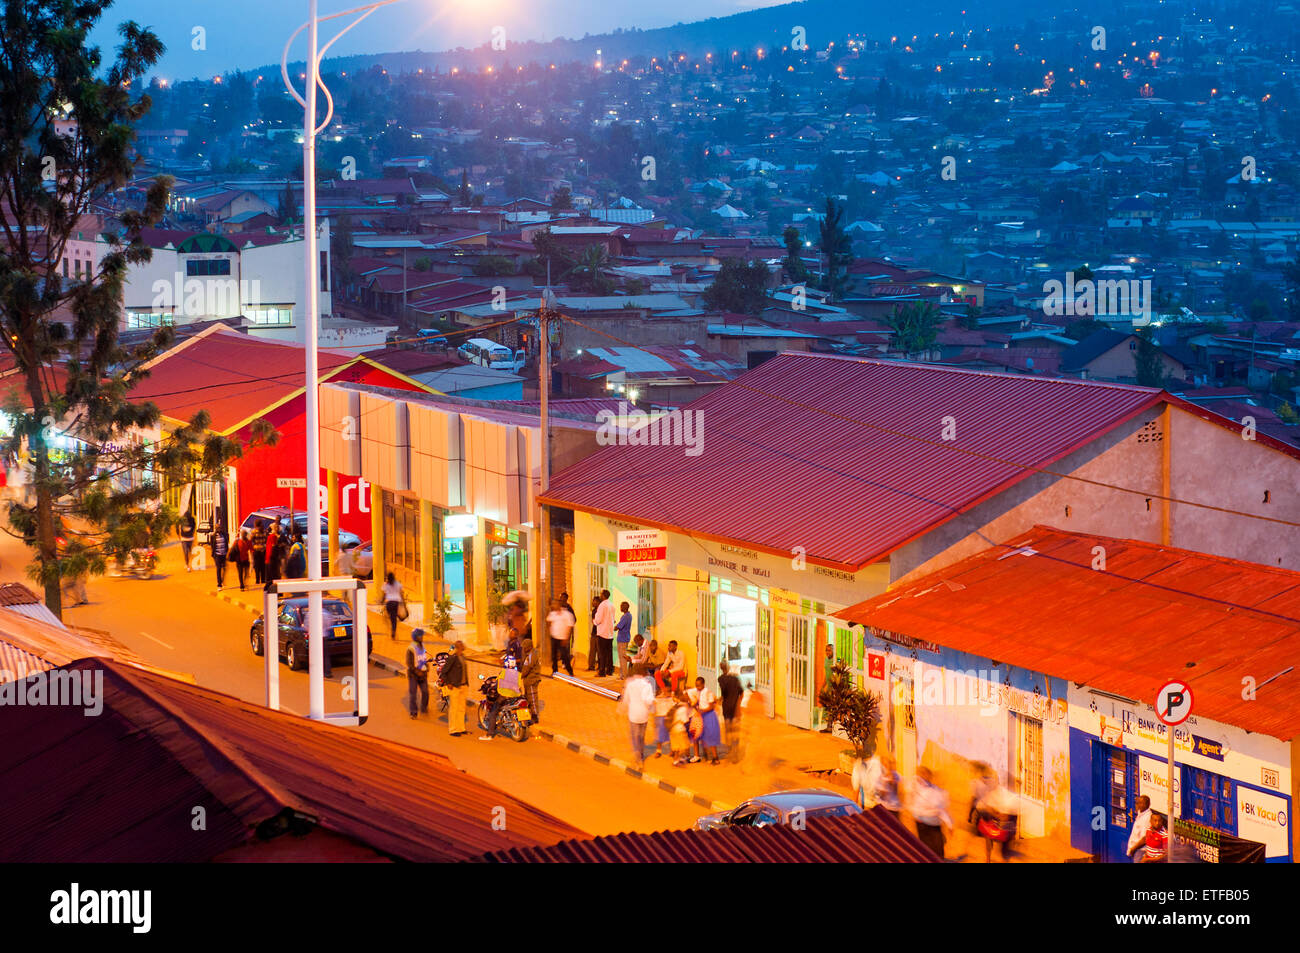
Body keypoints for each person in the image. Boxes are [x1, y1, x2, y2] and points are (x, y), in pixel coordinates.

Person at [973, 771, 1020, 862]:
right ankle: (989, 859)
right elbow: (988, 806)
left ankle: (992, 858)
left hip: (1004, 820)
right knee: (990, 838)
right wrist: (997, 814)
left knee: (1003, 844)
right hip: (996, 818)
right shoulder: (995, 792)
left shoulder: (1009, 795)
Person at [908, 765, 953, 859]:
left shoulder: (935, 790)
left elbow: (941, 809)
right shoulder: (914, 787)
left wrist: (949, 824)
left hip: (934, 822)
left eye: (926, 774)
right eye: (921, 774)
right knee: (927, 847)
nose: (924, 776)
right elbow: (911, 803)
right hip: (922, 822)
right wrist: (916, 815)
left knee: (937, 846)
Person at [480, 655, 523, 739]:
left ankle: (489, 734)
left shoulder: (503, 672)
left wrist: (492, 686)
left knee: (493, 713)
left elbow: (497, 683)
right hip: (514, 696)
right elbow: (519, 686)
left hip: (504, 696)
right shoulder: (518, 674)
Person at [621, 664, 656, 768]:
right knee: (641, 736)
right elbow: (648, 700)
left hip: (633, 714)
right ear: (644, 673)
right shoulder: (647, 684)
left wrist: (621, 710)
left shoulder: (630, 684)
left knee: (634, 736)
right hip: (644, 714)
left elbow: (626, 699)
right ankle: (640, 754)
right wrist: (654, 708)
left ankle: (638, 757)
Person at [439, 640, 469, 736]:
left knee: (462, 708)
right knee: (454, 708)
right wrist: (448, 683)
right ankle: (453, 729)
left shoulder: (463, 657)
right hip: (455, 686)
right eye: (461, 645)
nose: (463, 646)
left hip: (463, 685)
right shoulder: (453, 658)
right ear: (457, 647)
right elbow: (443, 672)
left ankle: (461, 728)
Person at [691, 676, 721, 764]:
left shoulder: (708, 692)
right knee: (696, 735)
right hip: (701, 715)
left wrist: (702, 711)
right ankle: (698, 756)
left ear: (703, 684)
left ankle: (715, 758)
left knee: (710, 736)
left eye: (699, 685)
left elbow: (711, 706)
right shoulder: (696, 691)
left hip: (709, 716)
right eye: (696, 685)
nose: (697, 687)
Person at [717, 659, 744, 755]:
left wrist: (720, 699)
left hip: (727, 708)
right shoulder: (735, 679)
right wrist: (738, 705)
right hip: (735, 708)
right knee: (735, 729)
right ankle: (735, 749)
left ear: (721, 668)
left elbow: (724, 693)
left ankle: (730, 749)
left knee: (728, 729)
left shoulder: (721, 679)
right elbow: (741, 693)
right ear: (728, 667)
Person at [405, 628, 431, 719]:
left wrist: (427, 666)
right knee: (413, 694)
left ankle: (424, 708)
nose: (422, 637)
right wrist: (417, 672)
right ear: (416, 637)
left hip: (422, 674)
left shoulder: (422, 646)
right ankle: (413, 712)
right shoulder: (411, 648)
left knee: (425, 692)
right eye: (420, 636)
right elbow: (409, 663)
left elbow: (423, 658)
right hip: (413, 675)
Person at [546, 597, 575, 675]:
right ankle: (555, 671)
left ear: (559, 604)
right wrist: (550, 631)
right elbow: (548, 621)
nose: (553, 605)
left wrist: (567, 638)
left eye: (554, 604)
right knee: (554, 656)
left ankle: (570, 671)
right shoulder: (552, 614)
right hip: (554, 637)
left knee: (564, 656)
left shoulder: (566, 614)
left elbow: (570, 626)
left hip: (562, 638)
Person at [519, 636, 541, 726]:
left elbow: (527, 668)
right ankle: (529, 715)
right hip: (529, 680)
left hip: (531, 680)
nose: (523, 649)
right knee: (528, 698)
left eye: (524, 647)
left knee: (532, 698)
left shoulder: (531, 656)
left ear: (529, 647)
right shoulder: (534, 653)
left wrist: (520, 676)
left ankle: (535, 717)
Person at [593, 589, 615, 677]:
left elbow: (598, 619)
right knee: (609, 654)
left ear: (603, 596)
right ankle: (609, 670)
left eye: (601, 594)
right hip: (610, 633)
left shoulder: (602, 605)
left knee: (601, 654)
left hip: (602, 632)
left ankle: (602, 672)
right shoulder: (612, 605)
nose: (600, 596)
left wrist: (594, 621)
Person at [815, 641, 835, 732]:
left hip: (834, 688)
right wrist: (823, 686)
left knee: (832, 708)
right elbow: (826, 674)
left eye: (829, 650)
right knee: (827, 708)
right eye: (826, 650)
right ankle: (828, 726)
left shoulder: (834, 661)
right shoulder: (826, 660)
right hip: (828, 688)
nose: (827, 652)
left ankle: (831, 727)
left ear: (833, 651)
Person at [651, 681, 674, 759]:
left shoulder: (672, 698)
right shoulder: (658, 698)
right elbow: (653, 706)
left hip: (670, 719)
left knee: (671, 735)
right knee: (659, 736)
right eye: (666, 690)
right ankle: (658, 751)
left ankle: (672, 750)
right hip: (660, 718)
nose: (668, 692)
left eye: (669, 691)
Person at [669, 691, 693, 766]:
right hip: (680, 729)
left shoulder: (676, 706)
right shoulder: (683, 708)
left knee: (676, 746)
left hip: (672, 729)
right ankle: (684, 758)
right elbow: (685, 720)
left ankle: (675, 760)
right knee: (684, 745)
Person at [1127, 796, 1153, 861]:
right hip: (1136, 850)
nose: (1139, 805)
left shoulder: (1147, 818)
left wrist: (1133, 849)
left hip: (1140, 851)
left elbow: (1144, 838)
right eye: (1138, 803)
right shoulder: (1141, 814)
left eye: (1141, 803)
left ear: (1148, 804)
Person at [381, 572, 403, 640]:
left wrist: (382, 601)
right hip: (395, 602)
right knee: (394, 619)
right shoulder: (397, 584)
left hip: (389, 603)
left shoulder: (386, 584)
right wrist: (402, 602)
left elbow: (384, 594)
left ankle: (392, 627)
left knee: (390, 617)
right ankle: (393, 630)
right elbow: (401, 593)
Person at [614, 600, 633, 678]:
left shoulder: (625, 616)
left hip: (623, 638)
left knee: (622, 657)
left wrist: (614, 627)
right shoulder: (629, 615)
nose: (620, 607)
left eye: (621, 606)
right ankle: (622, 674)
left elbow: (618, 626)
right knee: (622, 657)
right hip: (625, 637)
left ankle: (624, 675)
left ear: (625, 607)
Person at [210, 524, 229, 589]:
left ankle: (222, 580)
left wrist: (226, 551)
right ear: (216, 529)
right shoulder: (213, 536)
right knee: (218, 569)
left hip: (224, 554)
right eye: (218, 528)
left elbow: (226, 542)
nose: (219, 529)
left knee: (225, 568)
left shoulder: (225, 534)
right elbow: (212, 546)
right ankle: (219, 584)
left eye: (220, 528)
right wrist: (214, 554)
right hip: (217, 555)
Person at [585, 594, 600, 671]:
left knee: (599, 651)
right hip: (594, 632)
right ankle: (591, 666)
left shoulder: (600, 611)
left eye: (594, 601)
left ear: (598, 602)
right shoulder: (594, 610)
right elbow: (594, 622)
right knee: (593, 650)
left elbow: (595, 622)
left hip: (599, 633)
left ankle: (599, 667)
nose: (592, 602)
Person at [251, 520, 268, 585]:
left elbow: (252, 541)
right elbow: (252, 541)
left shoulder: (254, 532)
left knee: (259, 566)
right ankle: (261, 580)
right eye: (261, 524)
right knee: (261, 566)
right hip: (260, 550)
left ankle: (259, 580)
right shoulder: (263, 531)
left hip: (259, 550)